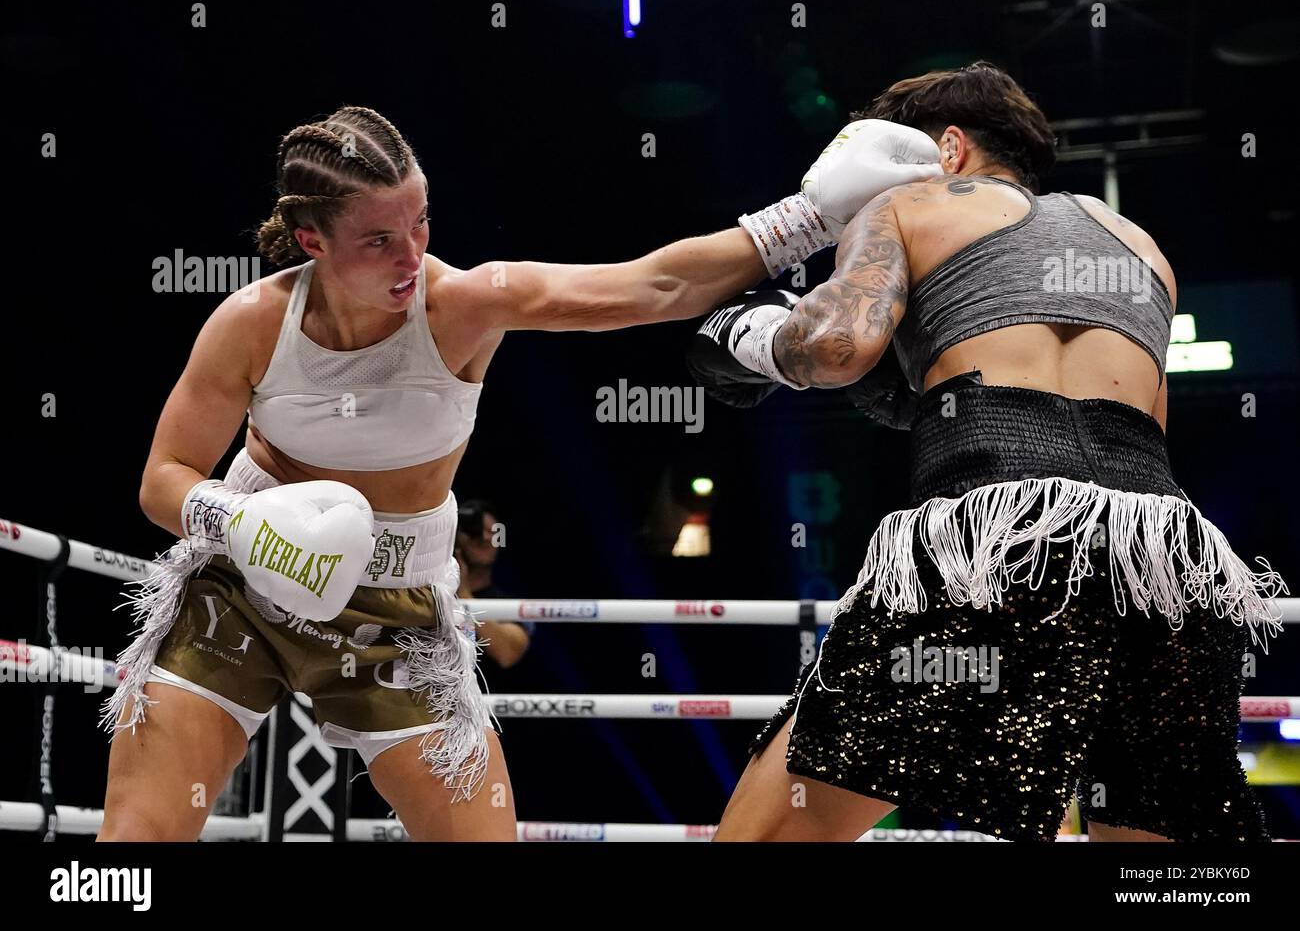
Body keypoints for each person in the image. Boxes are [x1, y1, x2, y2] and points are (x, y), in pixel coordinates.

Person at [97, 105, 941, 841]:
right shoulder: (250, 322)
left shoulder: (463, 305)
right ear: (312, 239)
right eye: (379, 238)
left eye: (421, 221)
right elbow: (162, 478)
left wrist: (805, 219)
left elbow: (652, 286)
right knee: (135, 840)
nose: (411, 254)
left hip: (399, 615)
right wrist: (239, 522)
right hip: (239, 589)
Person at [689, 63, 1287, 842]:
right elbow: (1142, 427)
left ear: (949, 147)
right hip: (1164, 560)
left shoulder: (913, 200)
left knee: (766, 838)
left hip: (999, 542)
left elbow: (836, 345)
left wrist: (754, 336)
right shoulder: (1137, 246)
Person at [455, 499, 531, 670]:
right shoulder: (427, 597)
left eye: (493, 532)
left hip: (487, 696)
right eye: (474, 531)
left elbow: (508, 653)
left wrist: (464, 596)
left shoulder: (509, 605)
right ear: (454, 537)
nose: (484, 538)